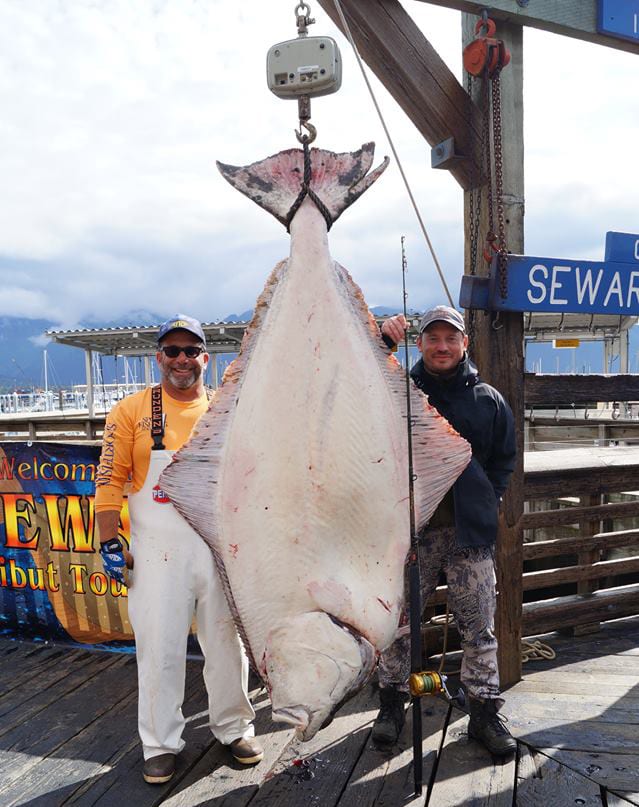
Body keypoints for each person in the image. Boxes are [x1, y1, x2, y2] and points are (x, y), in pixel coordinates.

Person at [95, 314, 263, 785]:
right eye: (172, 351)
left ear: (206, 359)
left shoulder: (225, 410)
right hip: (156, 554)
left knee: (228, 646)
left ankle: (234, 728)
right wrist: (110, 538)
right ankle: (160, 744)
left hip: (217, 549)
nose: (182, 360)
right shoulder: (129, 412)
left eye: (192, 351)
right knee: (159, 650)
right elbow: (108, 480)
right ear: (159, 358)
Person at [375, 305, 517, 757]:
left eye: (449, 338)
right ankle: (390, 705)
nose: (441, 346)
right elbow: (358, 399)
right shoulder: (399, 391)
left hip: (469, 534)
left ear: (463, 344)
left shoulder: (489, 400)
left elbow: (504, 459)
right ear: (420, 344)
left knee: (480, 627)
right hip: (412, 532)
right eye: (432, 338)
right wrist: (381, 345)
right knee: (397, 623)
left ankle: (483, 712)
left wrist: (486, 499)